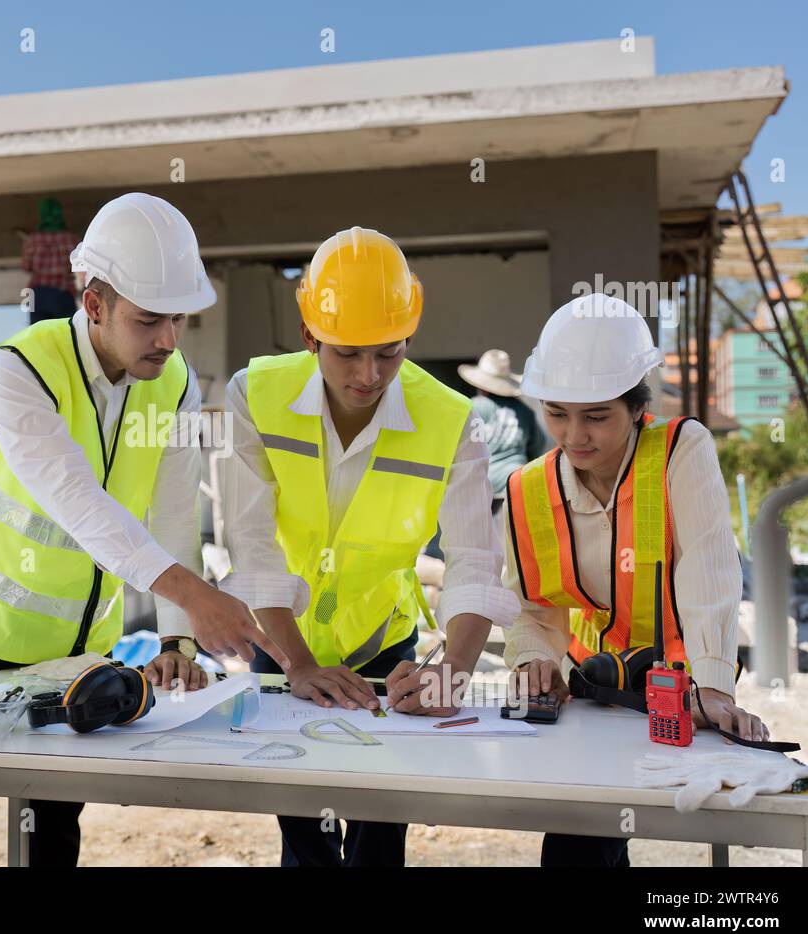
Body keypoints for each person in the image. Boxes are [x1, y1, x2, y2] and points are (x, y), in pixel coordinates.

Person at [0, 192, 284, 867]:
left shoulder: (173, 385)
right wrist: (199, 597)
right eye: (149, 321)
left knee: (54, 826)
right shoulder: (16, 372)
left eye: (178, 319)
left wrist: (176, 636)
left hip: (81, 650)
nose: (168, 339)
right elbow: (76, 502)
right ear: (95, 304)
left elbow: (171, 513)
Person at [219, 226, 520, 866]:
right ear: (310, 337)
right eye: (349, 353)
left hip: (386, 644)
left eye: (389, 352)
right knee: (307, 842)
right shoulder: (255, 395)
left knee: (380, 833)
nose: (369, 374)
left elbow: (474, 556)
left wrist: (454, 673)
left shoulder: (450, 418)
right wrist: (298, 665)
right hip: (284, 640)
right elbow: (251, 543)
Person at [502, 292, 771, 867]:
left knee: (676, 817)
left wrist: (715, 685)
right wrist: (532, 664)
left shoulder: (679, 451)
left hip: (685, 686)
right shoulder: (527, 489)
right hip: (592, 690)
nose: (575, 436)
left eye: (597, 415)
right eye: (557, 413)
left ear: (635, 405)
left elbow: (709, 569)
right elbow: (532, 608)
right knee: (581, 838)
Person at [457, 349, 547, 515]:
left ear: (481, 385)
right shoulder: (525, 411)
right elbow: (538, 446)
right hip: (518, 483)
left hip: (482, 486)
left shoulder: (473, 407)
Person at [20, 197, 80, 324]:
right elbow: (78, 266)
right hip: (63, 293)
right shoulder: (71, 239)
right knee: (66, 335)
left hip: (37, 295)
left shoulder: (32, 240)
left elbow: (26, 267)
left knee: (38, 336)